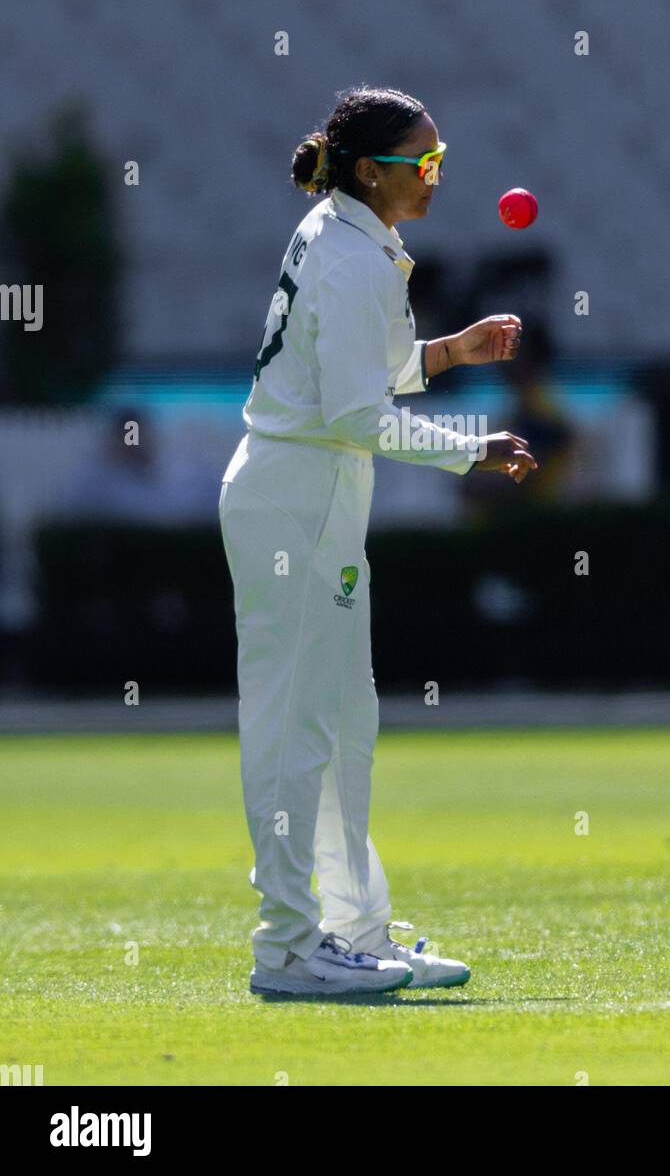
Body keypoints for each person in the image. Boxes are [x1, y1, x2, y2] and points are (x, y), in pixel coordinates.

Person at [218, 84, 537, 998]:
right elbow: (357, 411)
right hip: (296, 493)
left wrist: (448, 353)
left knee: (344, 725)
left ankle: (357, 933)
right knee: (294, 731)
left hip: (314, 491)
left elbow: (357, 366)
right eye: (422, 164)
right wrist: (467, 449)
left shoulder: (351, 237)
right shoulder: (352, 256)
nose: (437, 178)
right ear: (370, 171)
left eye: (441, 160)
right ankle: (286, 947)